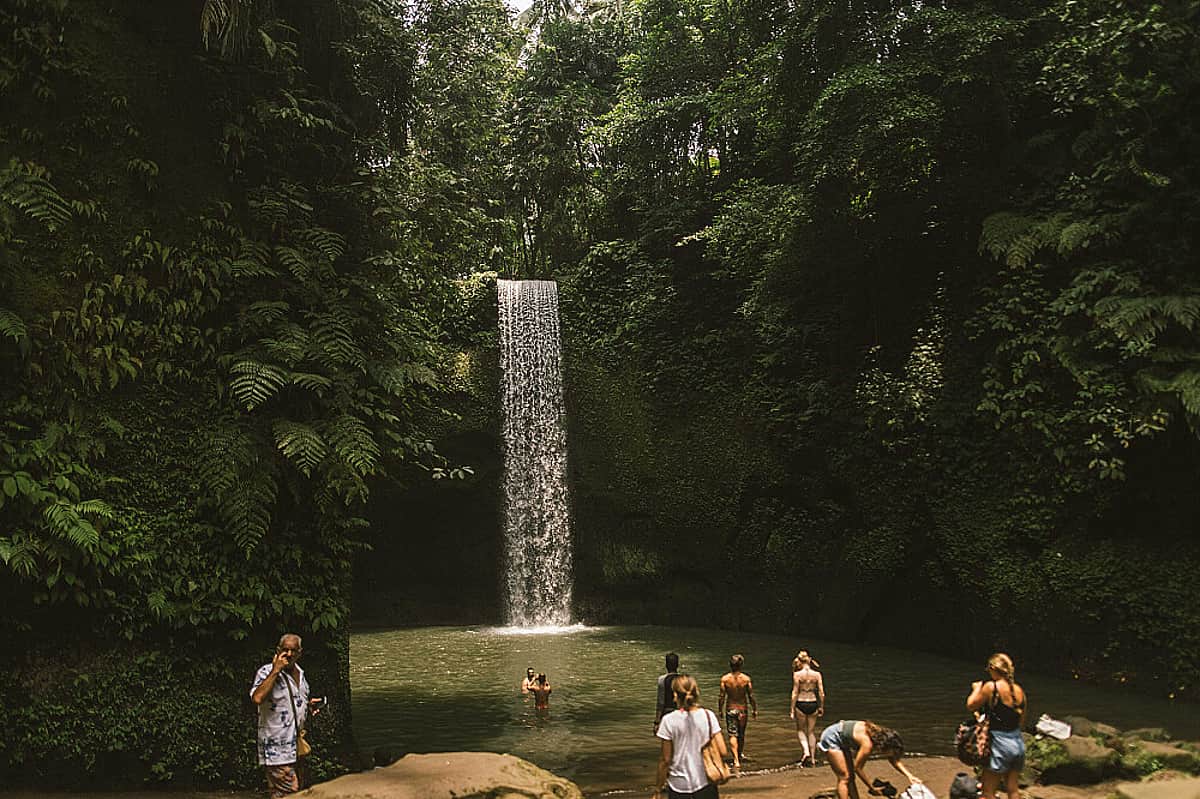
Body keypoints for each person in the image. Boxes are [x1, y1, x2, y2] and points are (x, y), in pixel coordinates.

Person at [250, 633, 322, 798]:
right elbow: (257, 698)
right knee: (291, 791)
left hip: (295, 746)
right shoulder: (266, 672)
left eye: (293, 651)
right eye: (285, 650)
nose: (289, 654)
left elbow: (292, 702)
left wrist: (307, 705)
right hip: (276, 748)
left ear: (300, 653)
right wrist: (276, 670)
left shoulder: (301, 674)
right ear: (278, 650)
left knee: (285, 793)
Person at [654, 674, 728, 799]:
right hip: (706, 782)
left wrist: (658, 789)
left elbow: (665, 760)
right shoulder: (708, 716)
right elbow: (723, 751)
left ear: (676, 695)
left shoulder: (668, 720)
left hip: (678, 786)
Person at [966, 653, 1026, 799]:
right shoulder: (1019, 691)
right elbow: (1021, 721)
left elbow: (970, 705)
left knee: (988, 792)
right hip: (1017, 744)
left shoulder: (991, 687)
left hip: (999, 745)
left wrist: (976, 689)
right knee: (1012, 788)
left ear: (993, 668)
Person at [817, 719, 921, 799]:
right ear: (886, 746)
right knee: (844, 777)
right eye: (892, 752)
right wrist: (871, 788)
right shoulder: (867, 745)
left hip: (843, 740)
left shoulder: (881, 735)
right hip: (831, 737)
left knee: (851, 778)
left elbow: (894, 761)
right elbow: (858, 768)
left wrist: (910, 776)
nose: (891, 756)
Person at [718, 654, 757, 773]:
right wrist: (754, 709)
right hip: (742, 710)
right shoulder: (746, 679)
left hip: (730, 708)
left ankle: (736, 760)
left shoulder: (725, 679)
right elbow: (751, 696)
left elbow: (721, 696)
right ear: (741, 665)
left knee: (732, 735)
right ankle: (739, 755)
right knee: (741, 734)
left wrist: (720, 709)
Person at [790, 650, 824, 766]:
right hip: (813, 702)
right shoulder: (817, 674)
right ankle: (813, 759)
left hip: (801, 702)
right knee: (811, 732)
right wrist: (821, 706)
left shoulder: (797, 675)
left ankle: (806, 752)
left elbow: (794, 693)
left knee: (800, 730)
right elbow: (821, 693)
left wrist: (792, 709)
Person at [654, 652, 681, 734]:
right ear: (677, 665)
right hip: (681, 713)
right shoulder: (683, 679)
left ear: (666, 665)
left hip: (667, 714)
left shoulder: (662, 679)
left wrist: (657, 722)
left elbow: (661, 702)